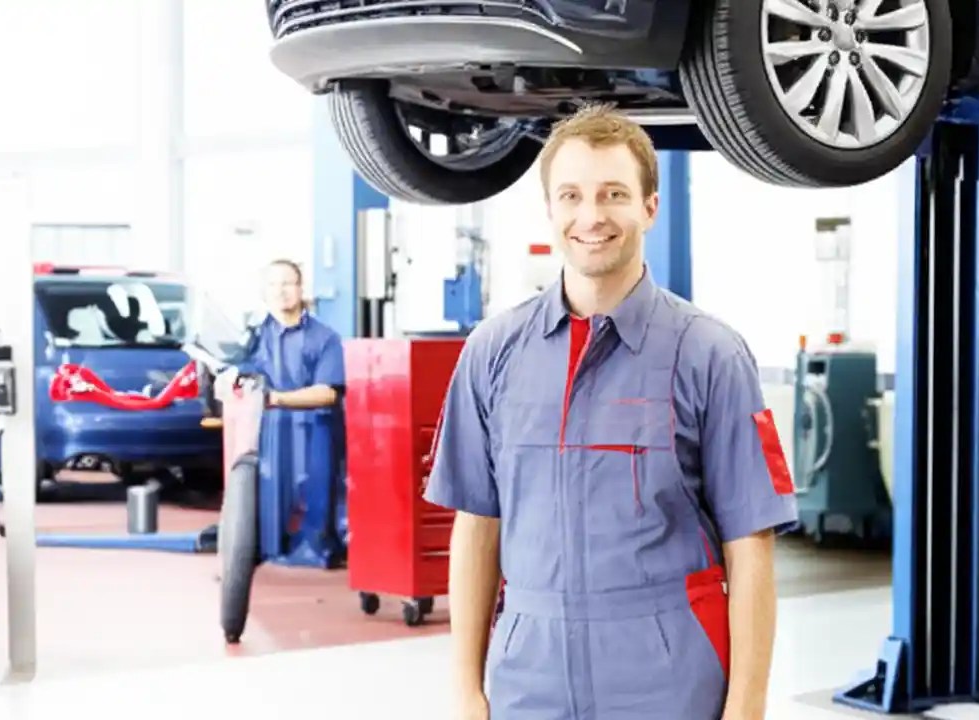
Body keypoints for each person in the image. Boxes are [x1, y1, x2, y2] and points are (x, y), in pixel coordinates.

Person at [424, 105, 799, 720]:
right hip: (530, 677)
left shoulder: (711, 354)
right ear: (550, 209)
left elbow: (750, 544)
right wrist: (467, 690)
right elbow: (477, 523)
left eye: (614, 194)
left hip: (668, 683)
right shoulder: (492, 351)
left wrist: (746, 708)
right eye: (571, 195)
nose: (591, 216)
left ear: (650, 207)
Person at [237, 258, 349, 568]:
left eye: (287, 283)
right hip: (269, 434)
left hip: (316, 431)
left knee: (317, 494)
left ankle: (318, 548)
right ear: (264, 291)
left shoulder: (326, 338)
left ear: (301, 288)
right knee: (270, 498)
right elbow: (238, 375)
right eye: (273, 284)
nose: (280, 290)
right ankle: (269, 546)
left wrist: (276, 398)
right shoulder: (253, 338)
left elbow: (328, 392)